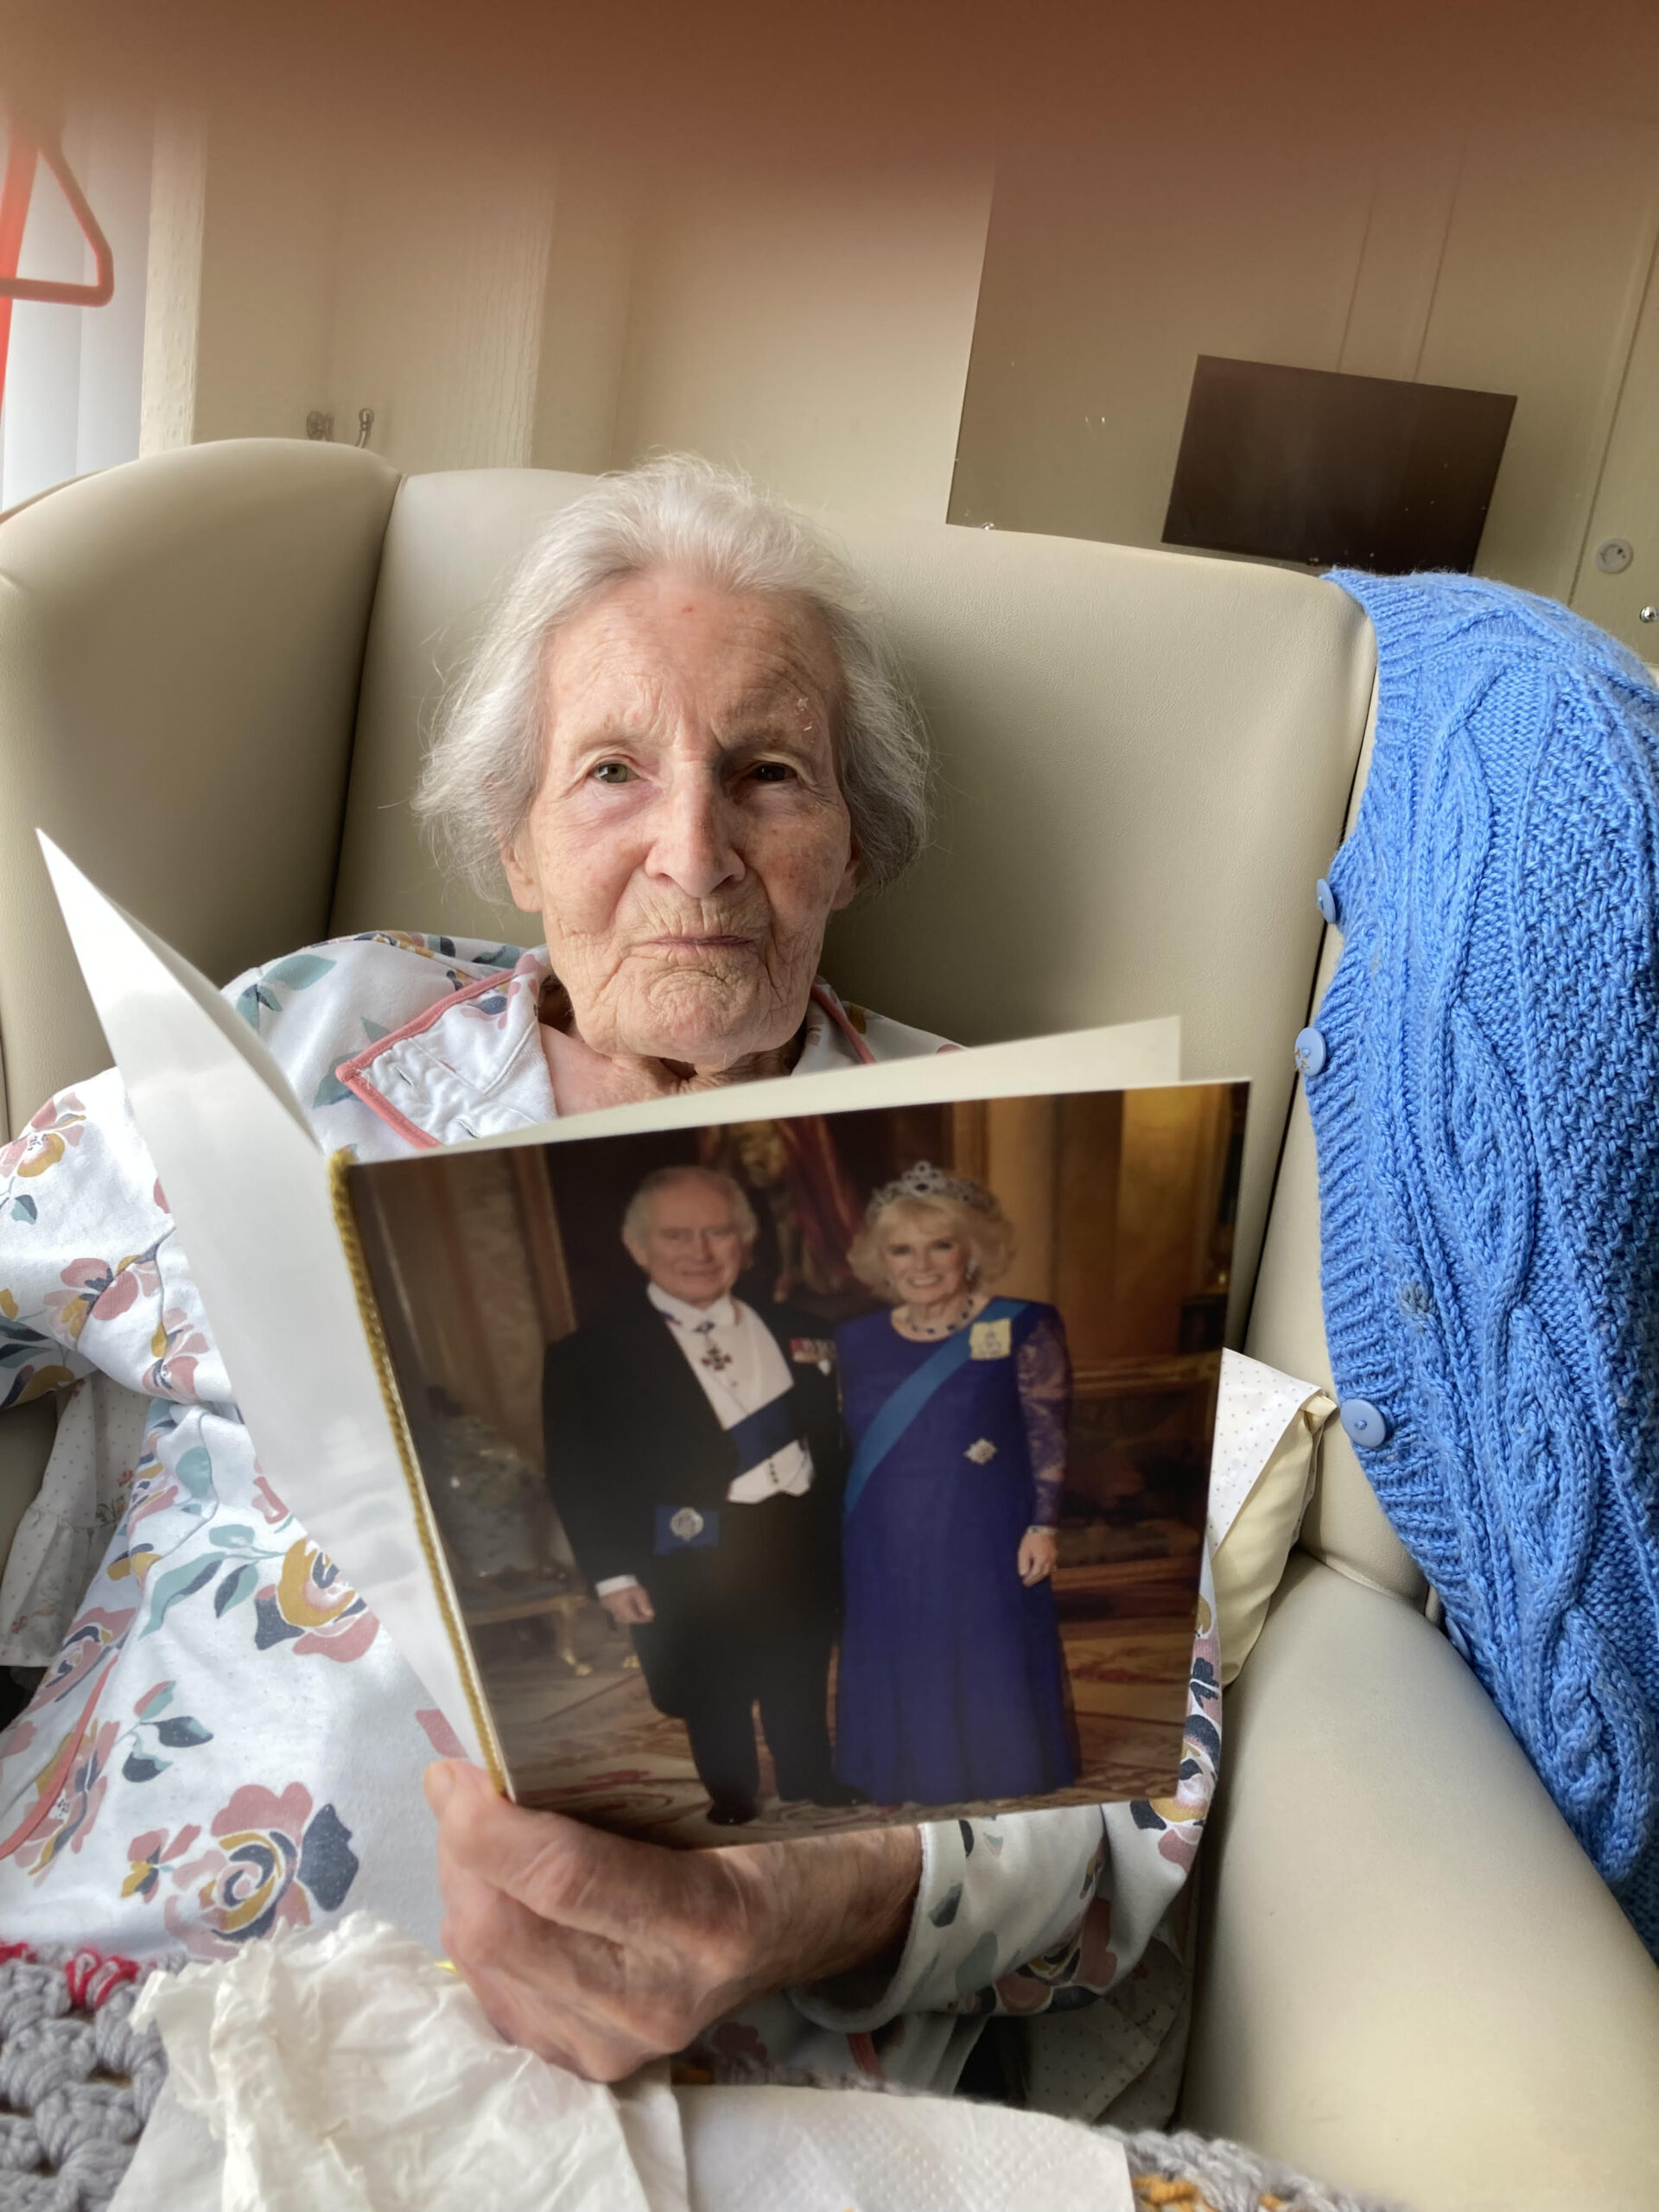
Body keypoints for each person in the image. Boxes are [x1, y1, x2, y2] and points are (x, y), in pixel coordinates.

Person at [0, 455, 1218, 2095]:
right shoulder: (316, 1031)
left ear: (853, 846)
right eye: (613, 773)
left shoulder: (986, 1146)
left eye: (770, 774)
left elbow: (1132, 1780)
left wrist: (791, 1906)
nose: (694, 853)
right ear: (514, 842)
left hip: (688, 2092)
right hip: (124, 1984)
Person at [543, 1164, 860, 1823]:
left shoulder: (804, 1330)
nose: (700, 1252)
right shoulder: (590, 1354)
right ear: (639, 1247)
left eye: (717, 1232)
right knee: (714, 1678)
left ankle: (809, 1773)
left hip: (797, 1532)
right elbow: (577, 1473)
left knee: (800, 1661)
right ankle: (732, 1791)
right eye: (677, 1236)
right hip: (687, 1544)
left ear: (745, 1241)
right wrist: (611, 1573)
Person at [834, 1165, 1077, 1806]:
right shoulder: (854, 1340)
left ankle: (996, 1768)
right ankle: (906, 1771)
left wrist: (1043, 1525)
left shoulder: (1024, 1323)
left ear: (971, 1250)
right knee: (903, 1644)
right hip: (883, 1531)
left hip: (983, 1526)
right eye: (901, 1250)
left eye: (940, 1245)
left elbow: (1047, 1431)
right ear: (882, 1261)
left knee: (983, 1641)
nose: (920, 1265)